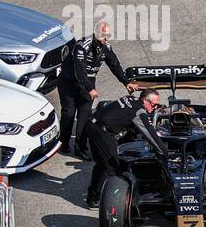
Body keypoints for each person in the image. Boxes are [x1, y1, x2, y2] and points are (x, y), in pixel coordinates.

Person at [58, 20, 133, 158]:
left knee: (84, 115)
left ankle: (80, 147)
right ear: (96, 34)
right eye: (103, 36)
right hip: (69, 83)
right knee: (69, 113)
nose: (105, 39)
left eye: (107, 36)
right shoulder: (82, 46)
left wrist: (126, 82)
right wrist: (90, 89)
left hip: (88, 84)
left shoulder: (105, 46)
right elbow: (79, 71)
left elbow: (115, 64)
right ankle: (63, 142)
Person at [84, 88, 165, 206]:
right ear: (144, 100)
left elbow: (119, 113)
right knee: (111, 167)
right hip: (102, 132)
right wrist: (165, 153)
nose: (155, 107)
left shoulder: (130, 98)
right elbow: (150, 134)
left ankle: (92, 197)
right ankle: (106, 201)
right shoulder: (139, 112)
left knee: (101, 164)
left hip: (92, 124)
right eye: (154, 104)